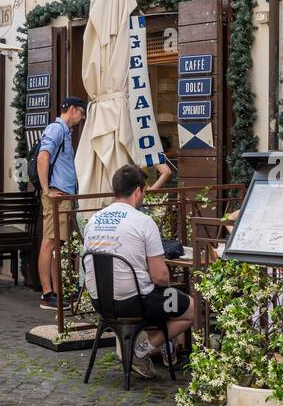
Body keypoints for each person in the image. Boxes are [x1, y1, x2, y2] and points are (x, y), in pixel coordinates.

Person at [82, 164, 196, 379]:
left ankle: (157, 341)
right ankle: (141, 350)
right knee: (192, 307)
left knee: (163, 301)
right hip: (134, 302)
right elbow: (160, 277)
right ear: (138, 191)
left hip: (100, 301)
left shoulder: (94, 219)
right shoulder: (143, 222)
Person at [37, 96, 87, 310]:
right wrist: (47, 190)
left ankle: (57, 293)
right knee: (50, 243)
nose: (82, 118)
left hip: (64, 195)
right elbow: (42, 157)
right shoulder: (56, 129)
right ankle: (47, 293)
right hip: (57, 195)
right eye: (81, 113)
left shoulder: (64, 132)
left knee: (58, 244)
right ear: (73, 110)